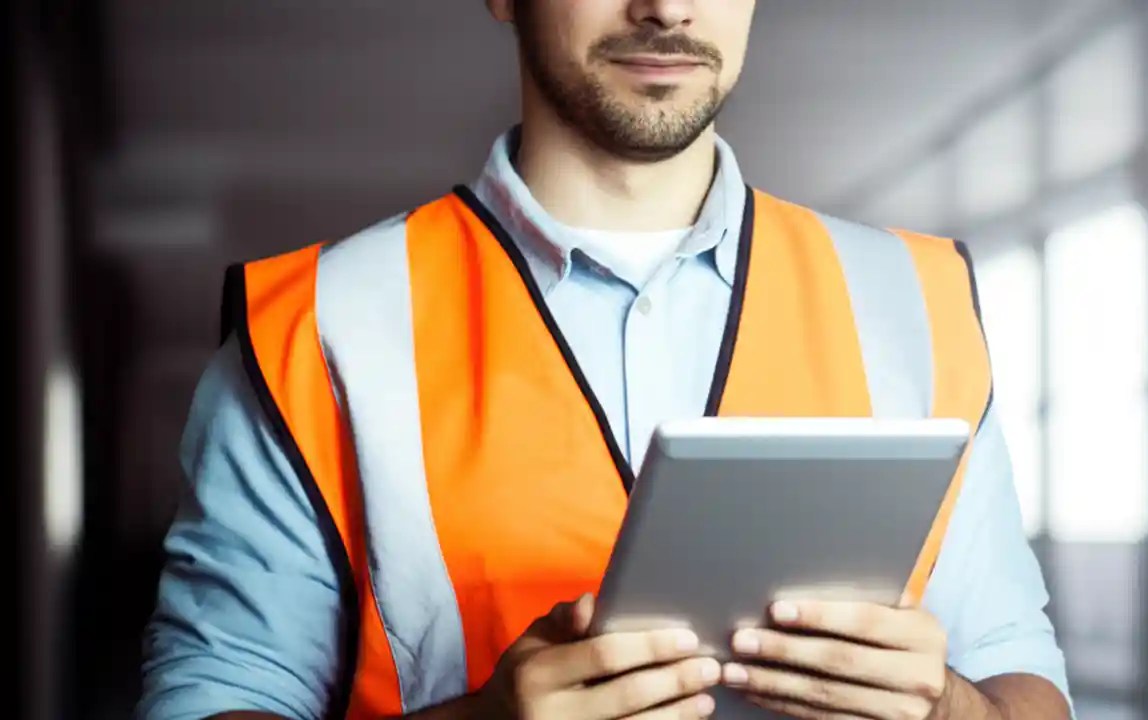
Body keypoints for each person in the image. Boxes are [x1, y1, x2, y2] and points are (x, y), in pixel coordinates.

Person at [140, 1, 1074, 719]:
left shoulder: (916, 298)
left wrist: (944, 706)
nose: (666, 6)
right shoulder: (313, 327)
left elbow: (1021, 679)